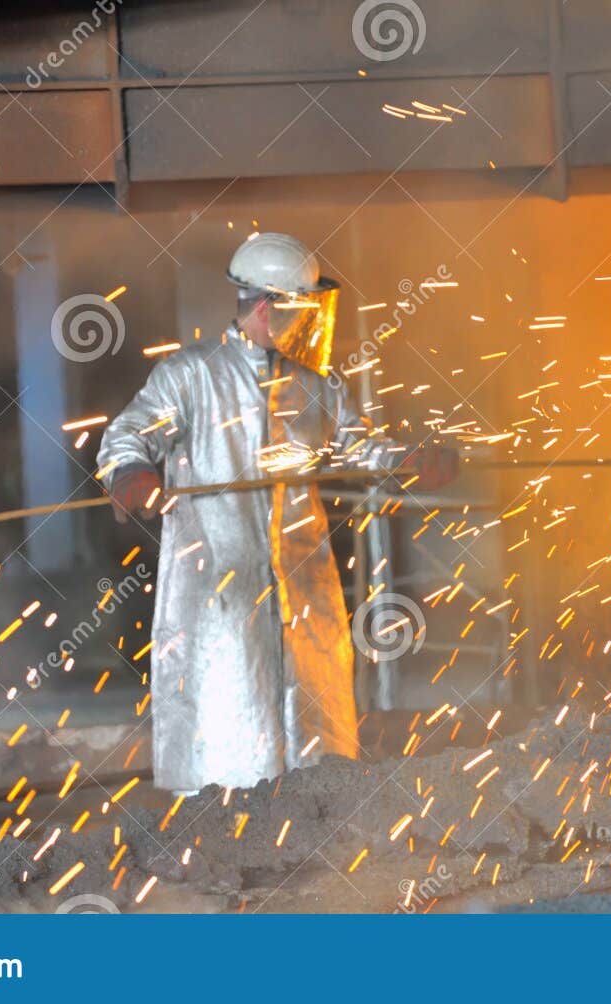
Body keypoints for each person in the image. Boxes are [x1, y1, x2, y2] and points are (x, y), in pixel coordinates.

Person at [97, 233, 457, 795]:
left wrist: (408, 461)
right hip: (220, 585)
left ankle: (315, 825)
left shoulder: (314, 385)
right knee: (227, 730)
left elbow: (358, 448)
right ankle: (223, 828)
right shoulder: (191, 375)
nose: (308, 323)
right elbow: (125, 439)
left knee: (314, 740)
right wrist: (129, 475)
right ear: (267, 308)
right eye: (300, 310)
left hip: (300, 584)